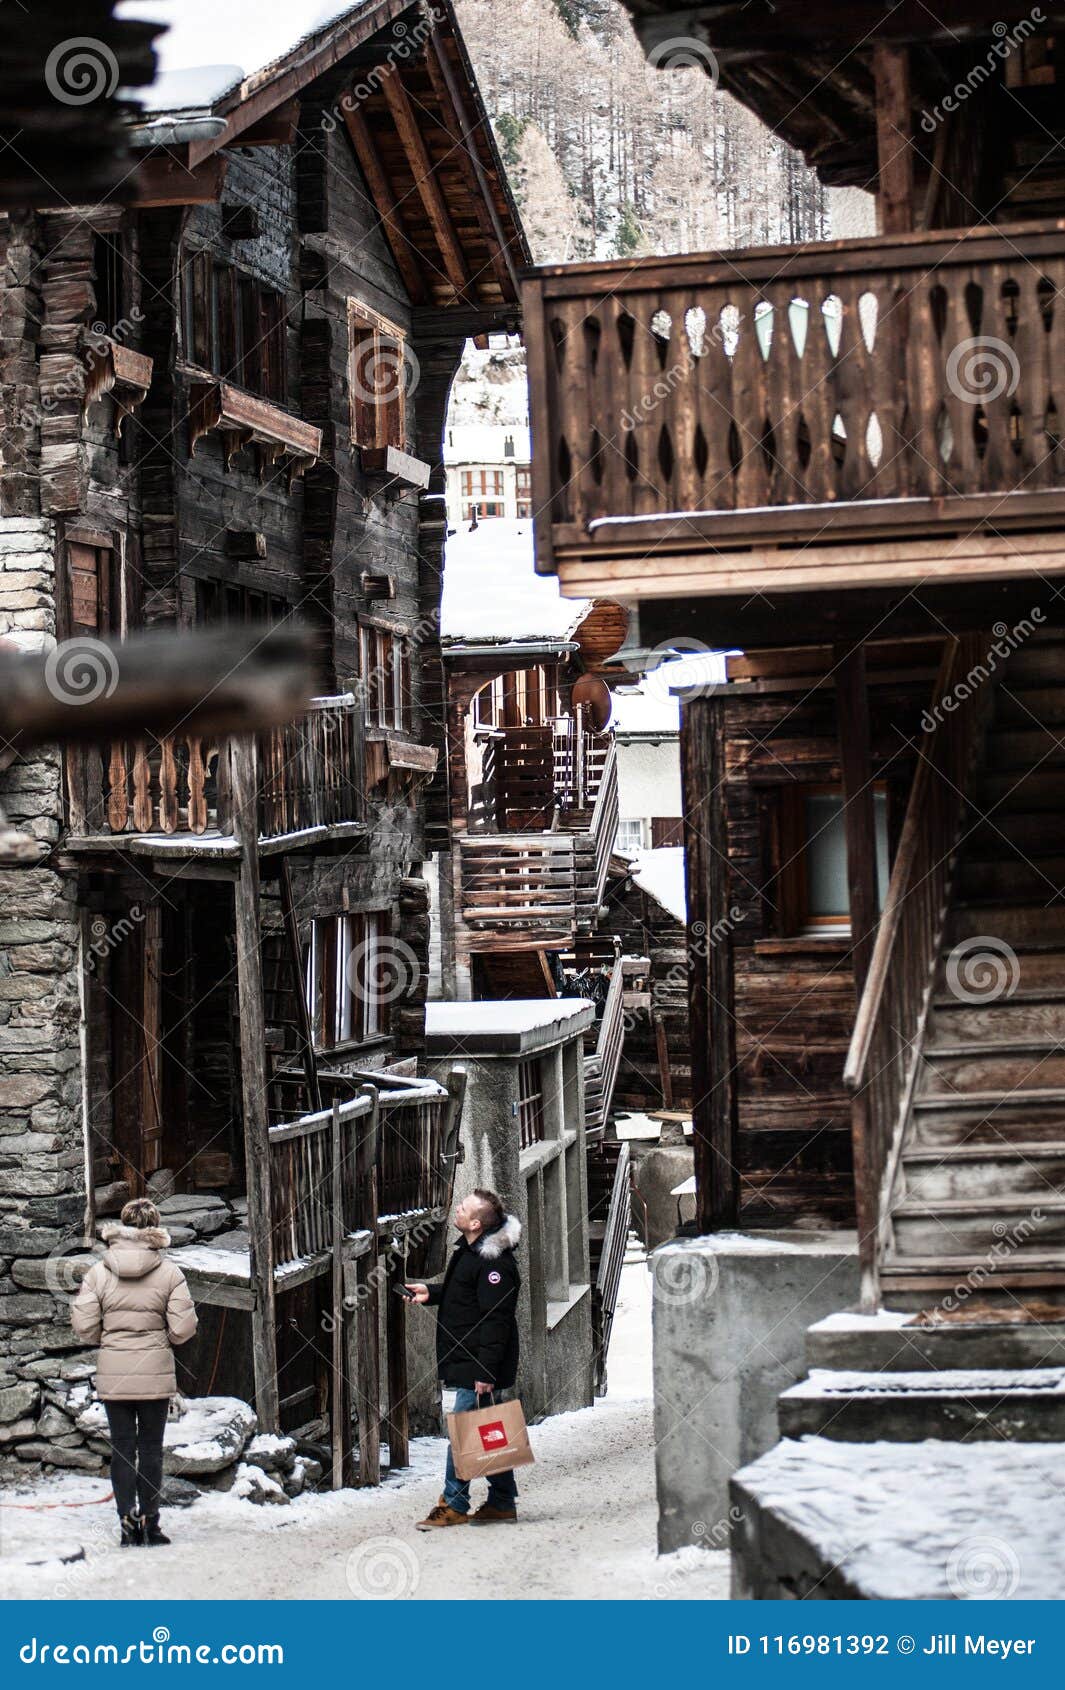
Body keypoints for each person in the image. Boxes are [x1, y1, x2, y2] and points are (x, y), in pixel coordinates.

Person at [72, 1197, 197, 1547]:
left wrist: (109, 1339)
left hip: (115, 1371)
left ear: (121, 1228)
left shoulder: (98, 1272)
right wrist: (164, 1339)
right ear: (156, 1229)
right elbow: (183, 1329)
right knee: (152, 1449)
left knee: (123, 1449)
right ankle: (151, 1525)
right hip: (155, 1372)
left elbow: (83, 1325)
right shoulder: (170, 1273)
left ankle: (127, 1526)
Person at [407, 1188, 521, 1529]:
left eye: (464, 1207)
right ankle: (502, 1501)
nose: (457, 1208)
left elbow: (496, 1320)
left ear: (475, 1223)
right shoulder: (471, 1252)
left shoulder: (495, 1264)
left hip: (478, 1362)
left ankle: (454, 1503)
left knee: (464, 1430)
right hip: (469, 1357)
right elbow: (464, 1295)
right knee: (488, 1430)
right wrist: (433, 1293)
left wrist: (485, 1371)